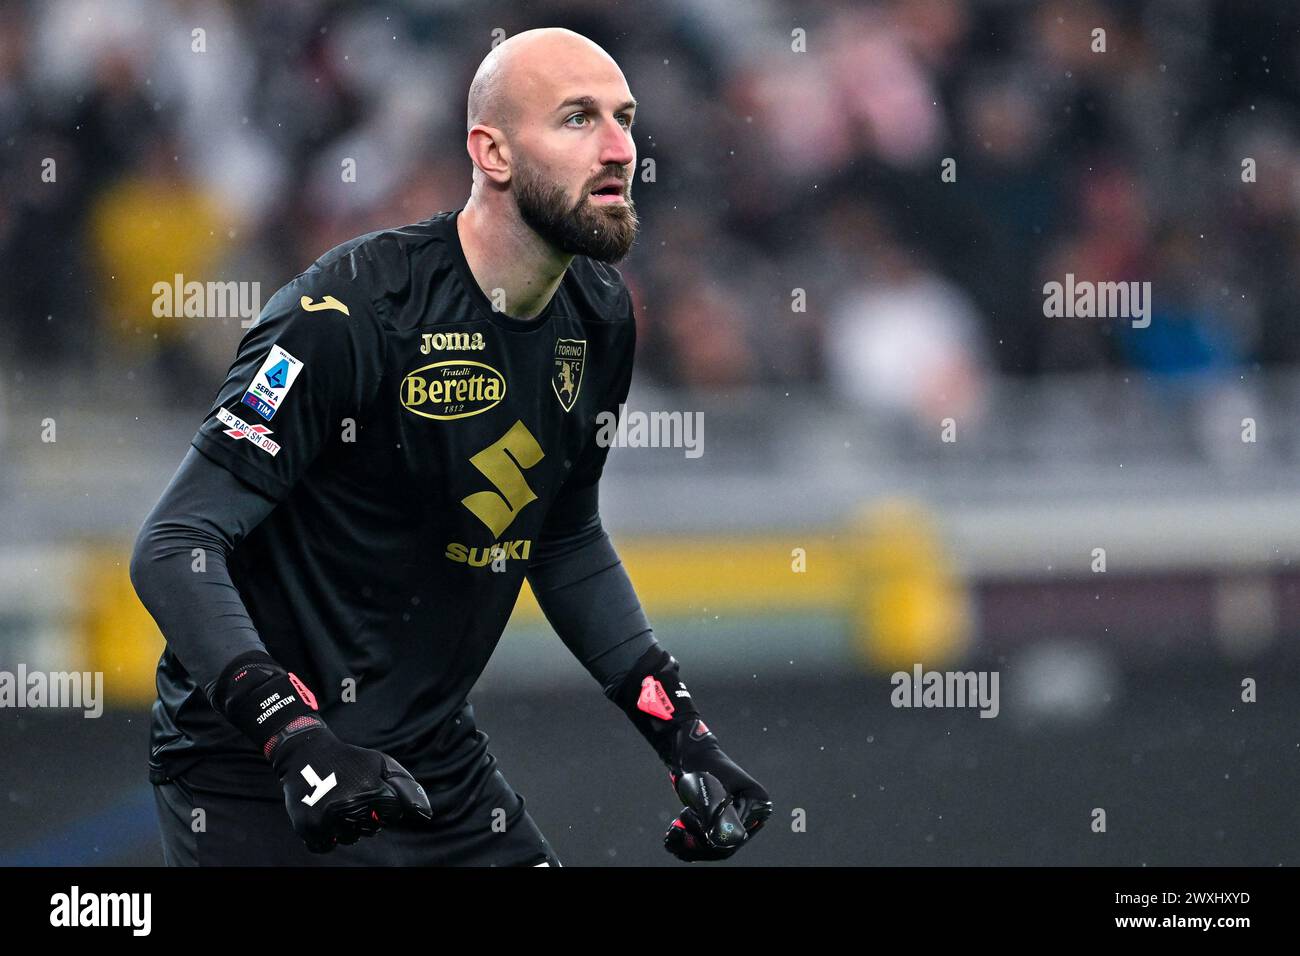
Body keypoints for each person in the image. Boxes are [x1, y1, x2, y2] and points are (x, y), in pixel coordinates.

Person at [130, 27, 771, 866]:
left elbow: (565, 539)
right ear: (492, 152)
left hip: (434, 769)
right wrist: (291, 735)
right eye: (578, 120)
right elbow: (174, 544)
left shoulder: (601, 315)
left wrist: (682, 735)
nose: (620, 149)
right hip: (259, 774)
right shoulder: (344, 315)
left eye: (625, 118)